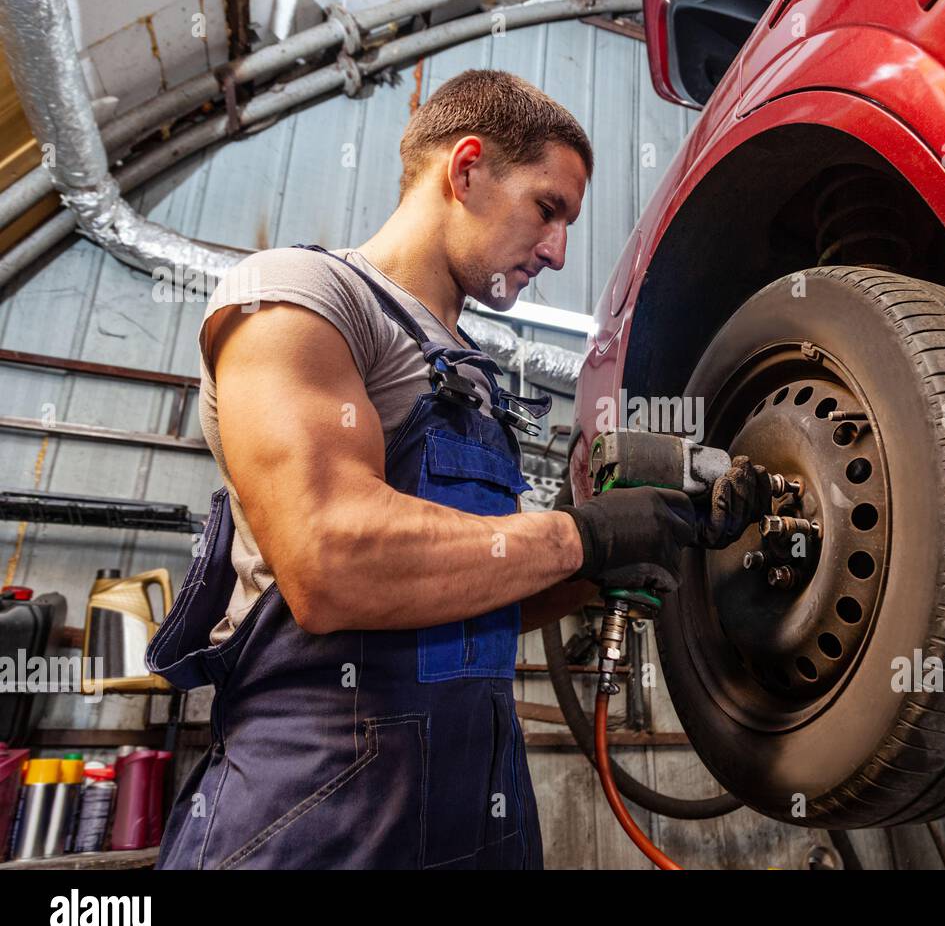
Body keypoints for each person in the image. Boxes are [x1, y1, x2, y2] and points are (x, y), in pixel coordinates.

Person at [145, 69, 768, 869]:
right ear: (466, 169)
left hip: (484, 813)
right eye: (549, 209)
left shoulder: (472, 375)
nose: (558, 249)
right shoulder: (299, 299)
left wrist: (624, 553)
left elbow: (473, 595)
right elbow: (330, 557)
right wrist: (580, 536)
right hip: (319, 812)